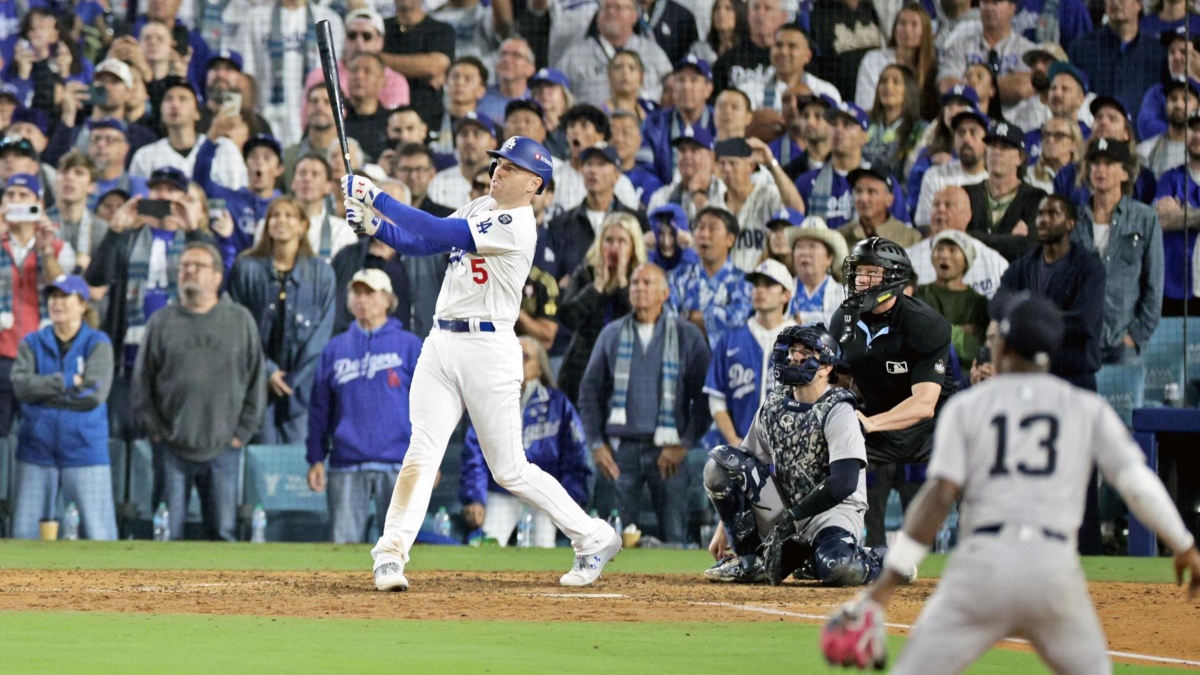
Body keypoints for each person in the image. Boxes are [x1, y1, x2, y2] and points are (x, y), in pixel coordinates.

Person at [820, 291, 1200, 674]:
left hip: (983, 568)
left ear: (1003, 347)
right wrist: (1184, 545)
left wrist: (881, 592)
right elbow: (1137, 484)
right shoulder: (1085, 407)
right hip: (1053, 571)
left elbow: (938, 498)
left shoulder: (968, 408)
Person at [341, 135, 622, 590]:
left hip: (489, 349)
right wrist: (375, 227)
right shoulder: (477, 206)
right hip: (442, 340)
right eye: (499, 163)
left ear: (535, 183)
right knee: (422, 449)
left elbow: (438, 231)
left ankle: (593, 535)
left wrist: (375, 196)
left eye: (510, 167)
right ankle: (390, 555)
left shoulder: (517, 224)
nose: (498, 170)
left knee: (509, 469)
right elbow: (419, 243)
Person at [702, 322, 888, 586]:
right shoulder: (774, 403)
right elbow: (742, 464)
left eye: (807, 352)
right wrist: (726, 527)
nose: (794, 356)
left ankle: (882, 560)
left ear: (827, 367)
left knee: (841, 569)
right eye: (792, 350)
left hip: (832, 514)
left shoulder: (839, 409)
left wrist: (793, 517)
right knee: (720, 463)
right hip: (785, 513)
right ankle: (751, 560)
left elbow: (843, 483)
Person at [133, 241, 267, 541]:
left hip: (224, 448)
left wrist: (242, 433)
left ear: (217, 277)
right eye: (184, 266)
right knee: (167, 535)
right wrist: (155, 431)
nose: (189, 271)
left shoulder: (240, 320)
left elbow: (257, 381)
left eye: (198, 265)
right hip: (171, 446)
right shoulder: (161, 322)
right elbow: (141, 384)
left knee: (223, 533)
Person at [830, 237, 954, 547]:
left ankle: (985, 555)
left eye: (871, 272)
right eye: (858, 271)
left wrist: (871, 423)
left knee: (977, 473)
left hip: (935, 426)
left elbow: (925, 403)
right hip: (875, 419)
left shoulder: (925, 323)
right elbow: (837, 380)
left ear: (894, 277)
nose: (861, 279)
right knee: (822, 457)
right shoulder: (843, 319)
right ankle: (828, 541)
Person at [578, 262, 710, 545]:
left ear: (665, 294)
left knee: (674, 534)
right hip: (619, 451)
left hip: (669, 451)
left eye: (647, 283)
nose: (639, 287)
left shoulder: (688, 335)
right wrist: (596, 444)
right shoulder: (611, 334)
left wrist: (684, 445)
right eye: (635, 282)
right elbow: (589, 391)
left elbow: (705, 398)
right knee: (612, 538)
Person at [307, 269, 422, 544]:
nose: (361, 300)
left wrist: (428, 459)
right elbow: (319, 408)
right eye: (356, 293)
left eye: (369, 293)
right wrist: (315, 457)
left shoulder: (409, 346)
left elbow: (428, 409)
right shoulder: (335, 348)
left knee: (401, 546)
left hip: (399, 463)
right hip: (347, 462)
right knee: (343, 545)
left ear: (387, 300)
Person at [10, 275, 116, 540]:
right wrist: (67, 382)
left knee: (98, 534)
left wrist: (42, 394)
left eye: (64, 296)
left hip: (85, 449)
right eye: (52, 297)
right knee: (25, 534)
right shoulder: (32, 342)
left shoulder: (98, 343)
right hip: (37, 449)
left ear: (82, 304)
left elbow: (94, 394)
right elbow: (22, 388)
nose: (56, 302)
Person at [460, 336, 590, 547]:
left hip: (543, 493)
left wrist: (571, 499)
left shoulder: (558, 405)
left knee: (544, 546)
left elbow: (575, 454)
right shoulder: (492, 402)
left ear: (539, 369)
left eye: (524, 357)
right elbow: (475, 452)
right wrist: (475, 497)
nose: (516, 362)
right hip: (502, 490)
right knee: (486, 545)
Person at [229, 197, 336, 444]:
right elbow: (238, 326)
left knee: (296, 466)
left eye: (289, 216)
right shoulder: (245, 268)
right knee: (261, 465)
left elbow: (321, 335)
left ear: (303, 225)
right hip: (256, 385)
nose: (281, 221)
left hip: (302, 391)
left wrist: (290, 381)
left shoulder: (322, 273)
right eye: (275, 216)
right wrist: (267, 371)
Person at [1073, 137, 1164, 366]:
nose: (1100, 169)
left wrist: (1135, 336)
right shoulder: (1073, 220)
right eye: (1095, 163)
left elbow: (1154, 285)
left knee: (1123, 402)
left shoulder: (1145, 218)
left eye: (1109, 163)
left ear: (1125, 174)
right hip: (1080, 343)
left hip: (1123, 344)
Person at [999, 194, 1105, 390]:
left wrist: (1029, 322)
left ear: (1070, 224)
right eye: (1040, 214)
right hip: (1030, 377)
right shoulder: (1023, 265)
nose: (1043, 219)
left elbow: (1084, 321)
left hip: (1075, 378)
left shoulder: (1089, 266)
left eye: (1053, 213)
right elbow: (999, 301)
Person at [705, 259, 796, 450]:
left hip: (788, 453)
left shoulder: (802, 342)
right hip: (740, 450)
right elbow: (716, 398)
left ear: (786, 295)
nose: (760, 290)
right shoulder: (730, 340)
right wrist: (734, 441)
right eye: (756, 285)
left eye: (769, 285)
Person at [226, 0, 343, 147]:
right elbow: (247, 77)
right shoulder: (255, 19)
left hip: (312, 118)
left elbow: (335, 77)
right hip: (268, 115)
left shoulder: (330, 20)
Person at [557, 214, 646, 403]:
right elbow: (568, 318)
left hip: (625, 368)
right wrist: (597, 287)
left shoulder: (641, 279)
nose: (614, 248)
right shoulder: (585, 274)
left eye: (622, 242)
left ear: (633, 247)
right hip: (581, 368)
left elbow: (641, 321)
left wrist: (622, 283)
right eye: (609, 240)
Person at [796, 101, 908, 230]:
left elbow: (902, 231)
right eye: (833, 124)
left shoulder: (883, 183)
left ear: (863, 137)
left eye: (847, 125)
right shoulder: (806, 182)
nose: (838, 130)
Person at [129, 77, 247, 190]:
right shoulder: (145, 157)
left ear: (197, 113)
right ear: (161, 113)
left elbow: (238, 196)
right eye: (168, 99)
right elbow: (140, 202)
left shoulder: (224, 149)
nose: (174, 105)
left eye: (183, 99)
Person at [556, 0, 673, 106]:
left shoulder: (653, 53)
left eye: (618, 7)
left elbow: (672, 89)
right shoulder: (575, 56)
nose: (611, 12)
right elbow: (556, 95)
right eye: (606, 7)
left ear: (634, 15)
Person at [1067, 0, 1166, 122]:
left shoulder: (1157, 53)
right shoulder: (1081, 48)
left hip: (1139, 137)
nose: (1115, 2)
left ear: (1139, 4)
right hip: (1092, 133)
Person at [669, 206, 753, 349]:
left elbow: (737, 319)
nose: (704, 234)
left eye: (712, 229)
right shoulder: (678, 277)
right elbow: (668, 318)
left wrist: (688, 316)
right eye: (700, 228)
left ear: (730, 240)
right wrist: (711, 320)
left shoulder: (744, 281)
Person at [715, 136, 804, 270]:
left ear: (750, 166)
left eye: (733, 163)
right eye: (722, 163)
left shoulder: (766, 194)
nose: (727, 169)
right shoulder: (714, 205)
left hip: (763, 281)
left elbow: (796, 210)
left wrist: (771, 163)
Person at [907, 185, 1009, 299]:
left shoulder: (993, 262)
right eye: (936, 205)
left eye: (948, 205)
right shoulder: (909, 260)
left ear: (967, 215)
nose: (940, 209)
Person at [964, 121, 1045, 261]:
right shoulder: (967, 194)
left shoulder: (1036, 198)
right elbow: (957, 238)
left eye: (1005, 147)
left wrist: (973, 236)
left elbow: (1027, 247)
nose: (996, 152)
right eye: (992, 146)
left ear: (1020, 158)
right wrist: (1010, 240)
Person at [937, 0, 1034, 108]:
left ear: (1012, 8)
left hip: (1013, 121)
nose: (989, 8)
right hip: (968, 119)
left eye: (995, 3)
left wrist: (970, 87)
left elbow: (1022, 88)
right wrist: (1000, 86)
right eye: (985, 2)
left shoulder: (1027, 50)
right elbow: (947, 85)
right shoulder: (960, 46)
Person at [915, 231, 990, 371]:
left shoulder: (979, 304)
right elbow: (916, 338)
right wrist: (958, 333)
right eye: (939, 249)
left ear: (966, 260)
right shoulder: (918, 294)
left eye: (952, 250)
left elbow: (971, 351)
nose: (944, 255)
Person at [855, 4, 938, 120]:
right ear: (894, 29)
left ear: (925, 31)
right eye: (902, 23)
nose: (907, 30)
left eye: (914, 25)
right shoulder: (873, 60)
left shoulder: (933, 67)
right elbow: (865, 106)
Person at [914, 107, 990, 227]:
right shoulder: (935, 175)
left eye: (973, 133)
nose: (966, 139)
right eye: (961, 133)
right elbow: (924, 224)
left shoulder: (992, 183)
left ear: (987, 141)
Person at [863, 65, 928, 181]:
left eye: (896, 82)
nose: (888, 86)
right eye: (883, 81)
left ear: (908, 89)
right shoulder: (865, 123)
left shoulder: (920, 130)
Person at [49, 152, 108, 273]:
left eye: (79, 173)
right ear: (55, 182)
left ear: (91, 186)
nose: (69, 177)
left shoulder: (102, 229)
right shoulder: (41, 223)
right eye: (64, 172)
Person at [428, 113, 499, 210]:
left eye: (477, 134)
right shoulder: (439, 182)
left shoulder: (505, 178)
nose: (469, 141)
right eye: (464, 134)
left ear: (493, 143)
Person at [839, 167, 922, 249]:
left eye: (872, 192)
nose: (863, 198)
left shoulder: (911, 239)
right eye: (858, 191)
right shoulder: (839, 238)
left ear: (889, 200)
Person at [789, 216, 847, 324]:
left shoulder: (844, 295)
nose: (805, 253)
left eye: (812, 246)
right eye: (800, 247)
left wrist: (804, 319)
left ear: (829, 258)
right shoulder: (782, 292)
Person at [1137, 77, 1197, 179]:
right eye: (1173, 99)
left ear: (1198, 106)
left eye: (1186, 99)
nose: (1178, 105)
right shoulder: (1145, 151)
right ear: (1166, 105)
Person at [478, 38, 537, 125]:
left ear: (530, 69)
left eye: (516, 55)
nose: (506, 59)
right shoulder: (479, 96)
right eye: (503, 54)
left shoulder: (537, 101)